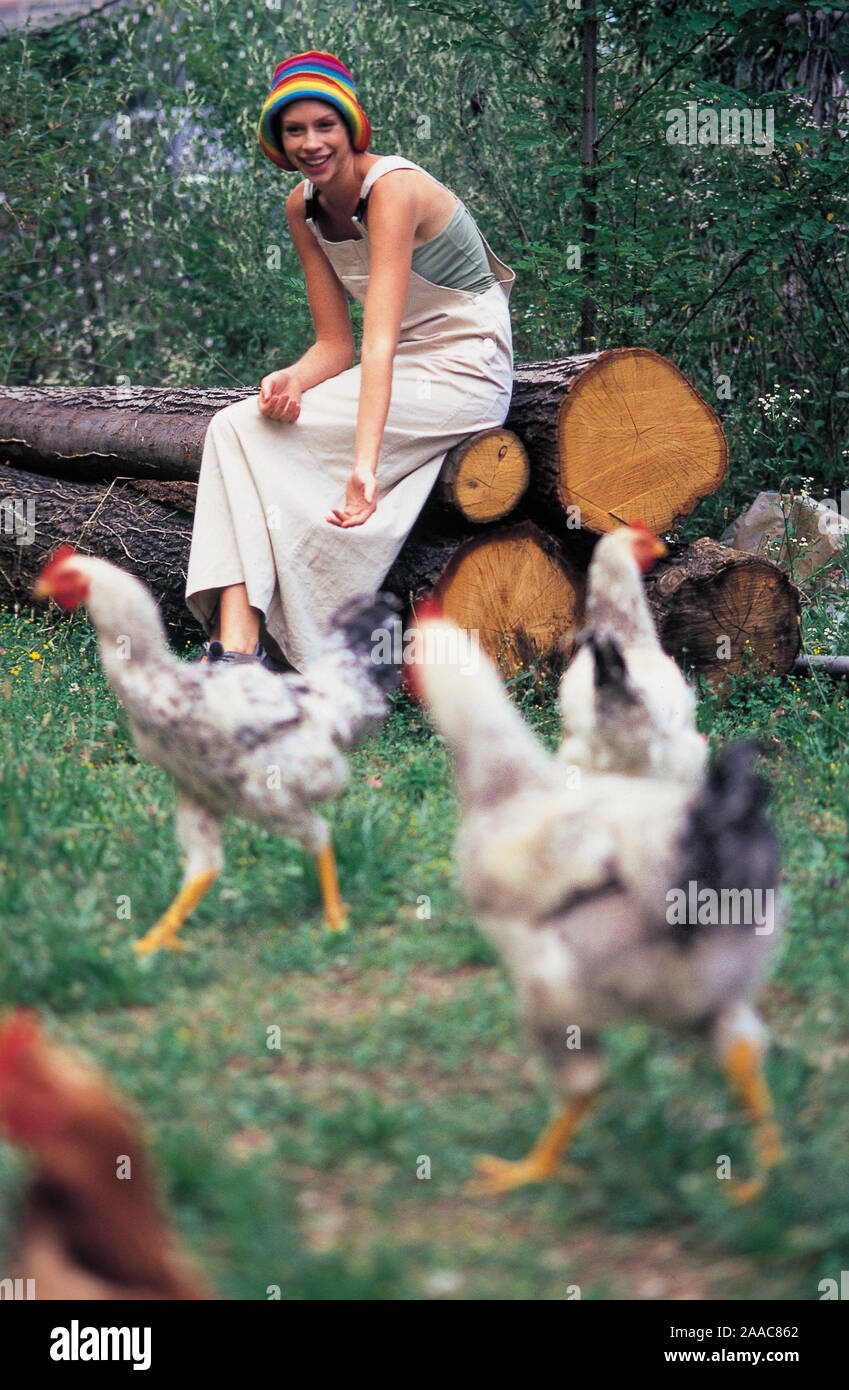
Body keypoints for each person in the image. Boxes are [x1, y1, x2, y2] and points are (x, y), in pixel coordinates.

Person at [185, 50, 515, 671]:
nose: (311, 143)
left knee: (280, 450)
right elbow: (335, 345)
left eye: (324, 125)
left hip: (464, 368)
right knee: (233, 425)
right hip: (396, 368)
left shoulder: (392, 189)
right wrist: (290, 379)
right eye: (294, 130)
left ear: (351, 126)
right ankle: (237, 651)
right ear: (277, 139)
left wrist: (364, 467)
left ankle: (296, 644)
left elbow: (378, 342)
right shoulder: (302, 207)